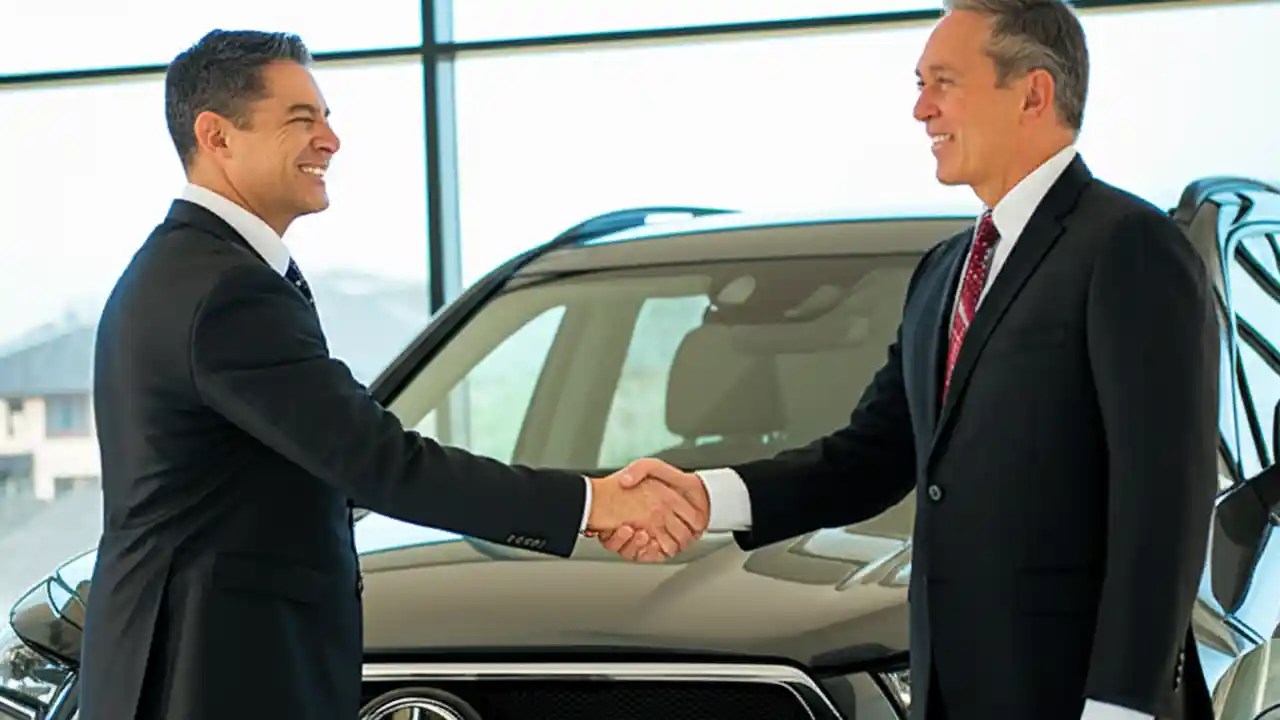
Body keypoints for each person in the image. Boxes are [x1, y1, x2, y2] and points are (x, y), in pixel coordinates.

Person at [596, 1, 1219, 718]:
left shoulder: (1129, 247)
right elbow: (868, 459)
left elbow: (1163, 501)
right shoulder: (944, 272)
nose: (921, 110)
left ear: (1033, 92)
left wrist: (1121, 705)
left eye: (943, 82)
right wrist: (705, 498)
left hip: (1076, 702)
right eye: (919, 85)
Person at [78, 30, 705, 720]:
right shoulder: (226, 292)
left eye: (326, 117)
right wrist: (595, 504)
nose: (331, 141)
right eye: (302, 120)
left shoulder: (186, 272)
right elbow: (380, 462)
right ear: (217, 136)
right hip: (211, 677)